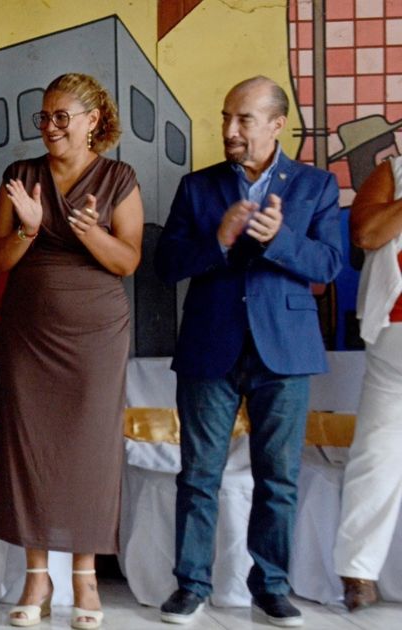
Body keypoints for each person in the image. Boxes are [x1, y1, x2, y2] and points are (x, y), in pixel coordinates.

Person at [154, 76, 343, 627]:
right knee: (198, 475)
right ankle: (190, 586)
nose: (230, 130)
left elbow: (329, 266)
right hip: (210, 345)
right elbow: (166, 265)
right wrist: (218, 238)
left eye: (243, 119)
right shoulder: (197, 186)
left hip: (285, 350)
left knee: (279, 477)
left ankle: (273, 587)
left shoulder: (316, 185)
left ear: (277, 124)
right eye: (226, 118)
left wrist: (279, 239)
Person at [0, 73, 143, 630]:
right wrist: (28, 230)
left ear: (93, 119)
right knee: (30, 449)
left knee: (89, 452)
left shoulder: (119, 176)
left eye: (61, 117)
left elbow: (127, 262)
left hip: (97, 335)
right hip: (31, 331)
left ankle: (85, 579)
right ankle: (37, 577)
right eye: (44, 117)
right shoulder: (20, 176)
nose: (50, 127)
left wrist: (87, 231)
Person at [332, 156, 402, 612]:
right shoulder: (394, 169)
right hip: (396, 329)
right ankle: (358, 574)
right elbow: (367, 234)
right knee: (377, 453)